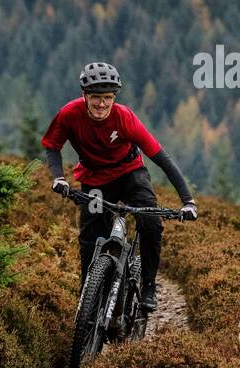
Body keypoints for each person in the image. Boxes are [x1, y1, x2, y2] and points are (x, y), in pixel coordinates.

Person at [41, 61, 197, 310]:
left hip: (130, 174)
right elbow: (52, 145)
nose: (101, 104)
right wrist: (58, 177)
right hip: (93, 179)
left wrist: (187, 201)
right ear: (85, 96)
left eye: (107, 98)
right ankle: (88, 295)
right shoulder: (70, 114)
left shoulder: (125, 118)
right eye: (95, 98)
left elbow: (161, 158)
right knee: (90, 238)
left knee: (150, 223)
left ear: (114, 97)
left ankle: (148, 285)